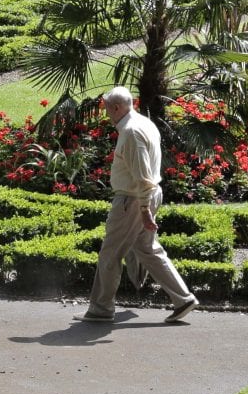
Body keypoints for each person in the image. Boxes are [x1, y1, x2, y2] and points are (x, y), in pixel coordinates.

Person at [80, 86, 200, 324]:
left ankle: (101, 308)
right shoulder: (143, 123)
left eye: (107, 109)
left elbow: (142, 175)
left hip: (132, 200)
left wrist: (144, 210)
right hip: (146, 196)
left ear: (117, 108)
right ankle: (183, 299)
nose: (106, 114)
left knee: (110, 253)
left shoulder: (131, 131)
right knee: (148, 249)